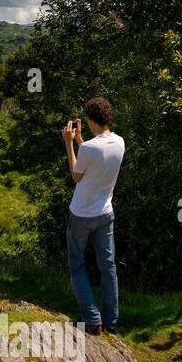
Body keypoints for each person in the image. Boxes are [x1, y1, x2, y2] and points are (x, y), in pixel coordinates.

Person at [61, 97, 125, 335]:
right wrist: (80, 140)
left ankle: (92, 319)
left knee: (77, 264)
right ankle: (111, 322)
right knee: (107, 266)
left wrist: (69, 143)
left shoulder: (88, 149)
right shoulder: (119, 142)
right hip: (105, 213)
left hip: (81, 214)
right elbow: (97, 158)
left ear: (89, 119)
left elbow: (77, 175)